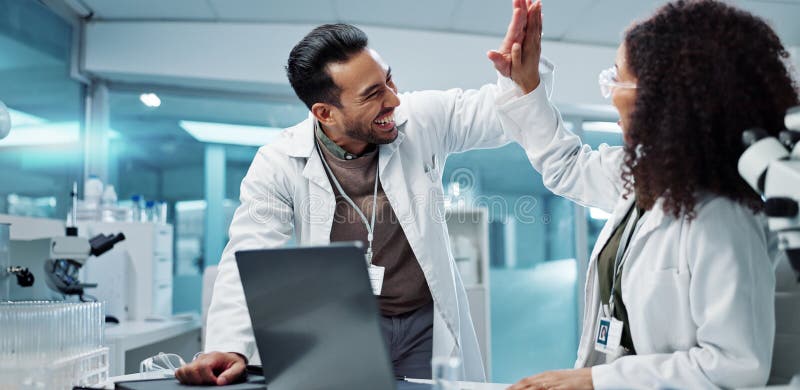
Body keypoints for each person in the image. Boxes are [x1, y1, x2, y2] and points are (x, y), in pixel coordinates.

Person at [176, 2, 552, 385]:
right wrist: (227, 344)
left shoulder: (421, 120)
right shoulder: (278, 161)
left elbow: (501, 115)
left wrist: (523, 77)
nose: (393, 100)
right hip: (347, 327)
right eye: (373, 94)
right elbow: (248, 251)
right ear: (325, 113)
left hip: (425, 324)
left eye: (389, 80)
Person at [491, 0, 799, 389]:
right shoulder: (651, 176)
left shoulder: (722, 216)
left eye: (617, 79)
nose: (611, 93)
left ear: (663, 98)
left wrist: (596, 380)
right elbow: (566, 165)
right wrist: (528, 86)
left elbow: (736, 365)